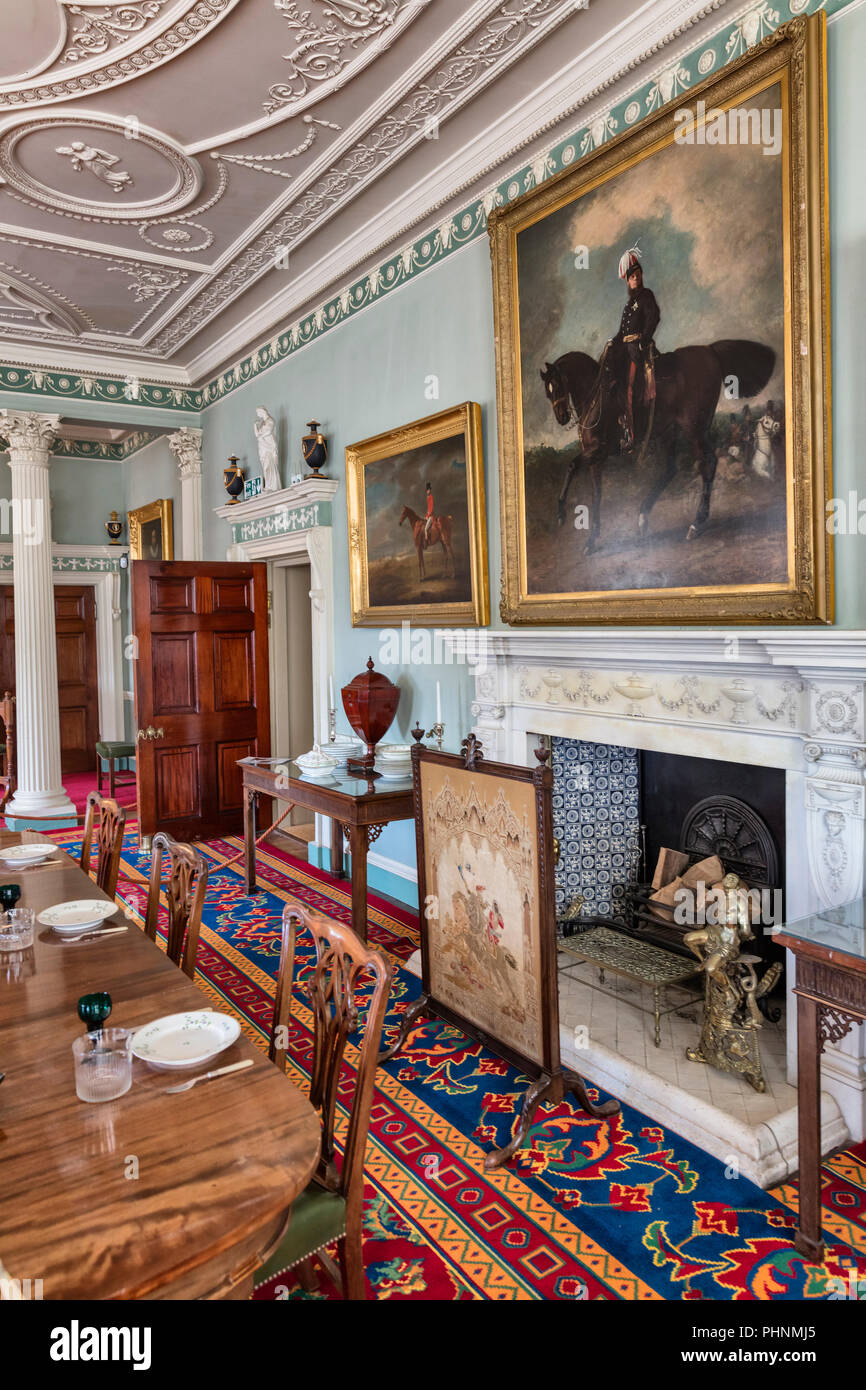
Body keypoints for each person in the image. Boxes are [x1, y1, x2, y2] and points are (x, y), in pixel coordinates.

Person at [609, 245, 660, 452]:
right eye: (632, 277)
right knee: (612, 377)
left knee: (630, 387)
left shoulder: (646, 296)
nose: (636, 279)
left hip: (639, 348)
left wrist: (644, 339)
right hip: (625, 348)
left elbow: (654, 317)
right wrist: (613, 342)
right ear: (628, 281)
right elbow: (622, 332)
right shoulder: (629, 305)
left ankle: (633, 435)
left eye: (638, 275)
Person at [424, 481, 434, 546]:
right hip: (429, 515)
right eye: (427, 490)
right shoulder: (428, 497)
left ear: (430, 490)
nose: (428, 491)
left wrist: (428, 515)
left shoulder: (431, 497)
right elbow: (428, 508)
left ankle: (427, 542)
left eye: (429, 490)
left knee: (425, 529)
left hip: (431, 516)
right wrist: (426, 515)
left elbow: (431, 507)